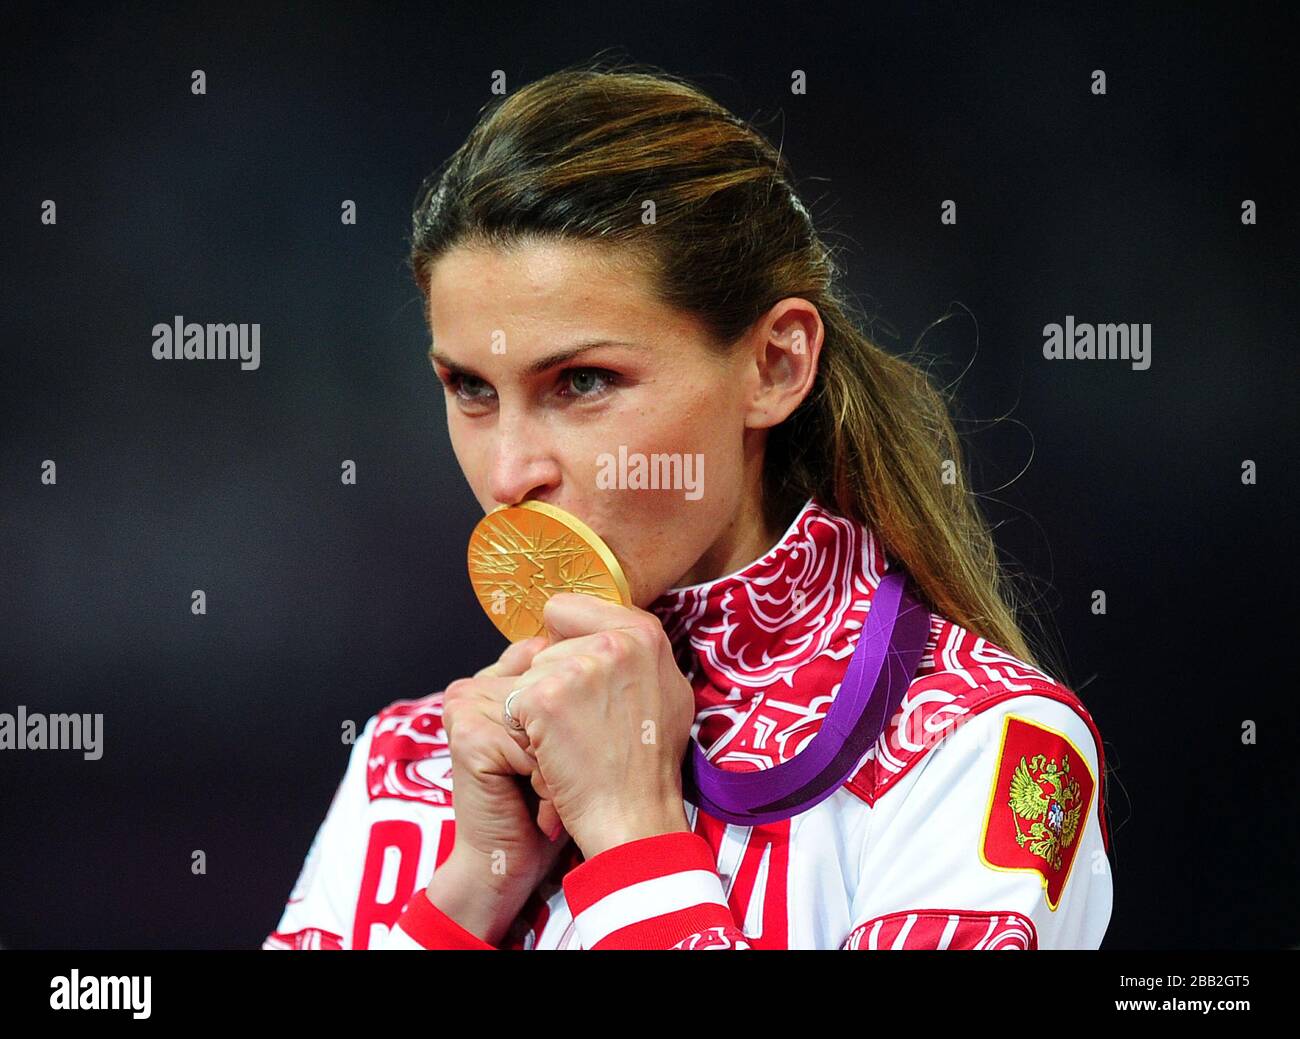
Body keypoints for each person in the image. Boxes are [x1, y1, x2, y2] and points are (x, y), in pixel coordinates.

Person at [263, 58, 1112, 951]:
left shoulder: (982, 748)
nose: (510, 472)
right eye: (470, 388)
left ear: (775, 365)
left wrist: (635, 844)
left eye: (583, 381)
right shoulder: (415, 764)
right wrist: (474, 890)